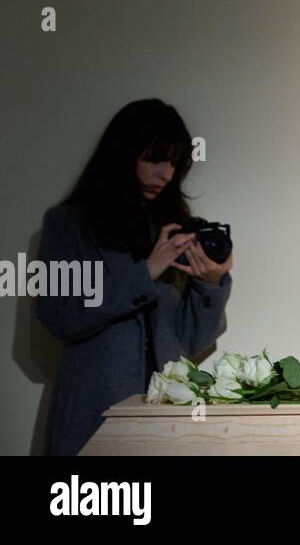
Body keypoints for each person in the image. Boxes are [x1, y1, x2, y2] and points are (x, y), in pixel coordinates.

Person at [36, 98, 233, 455]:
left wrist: (211, 283)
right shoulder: (68, 225)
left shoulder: (171, 228)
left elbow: (190, 342)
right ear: (123, 153)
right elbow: (58, 315)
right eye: (155, 158)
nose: (167, 174)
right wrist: (144, 273)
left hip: (168, 421)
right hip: (93, 416)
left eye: (174, 163)